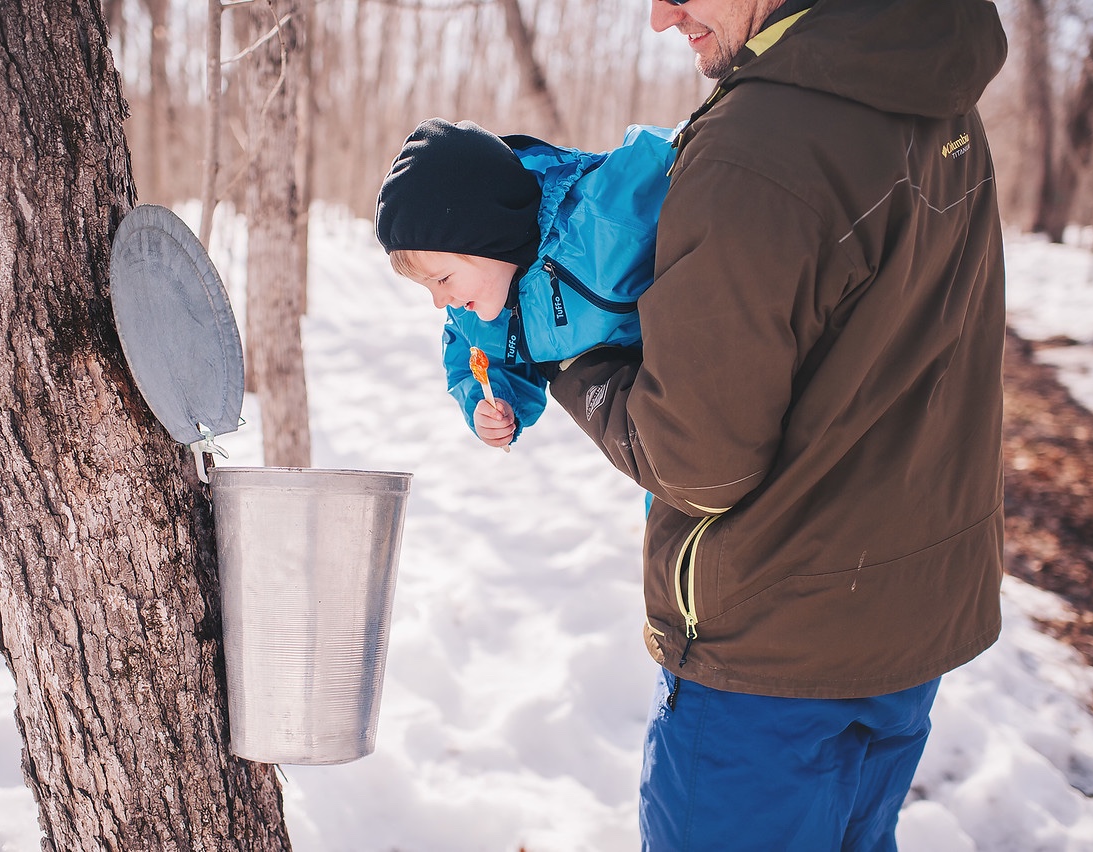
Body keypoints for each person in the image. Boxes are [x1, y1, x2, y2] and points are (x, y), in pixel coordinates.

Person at [542, 0, 1009, 848]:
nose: (659, 17)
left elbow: (700, 461)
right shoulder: (929, 77)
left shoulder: (758, 143)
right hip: (906, 624)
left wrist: (574, 369)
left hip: (771, 658)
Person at [374, 118, 676, 449]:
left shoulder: (597, 221)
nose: (439, 301)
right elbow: (489, 360)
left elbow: (666, 155)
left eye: (443, 279)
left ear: (488, 237)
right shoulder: (476, 315)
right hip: (656, 423)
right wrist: (495, 402)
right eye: (428, 287)